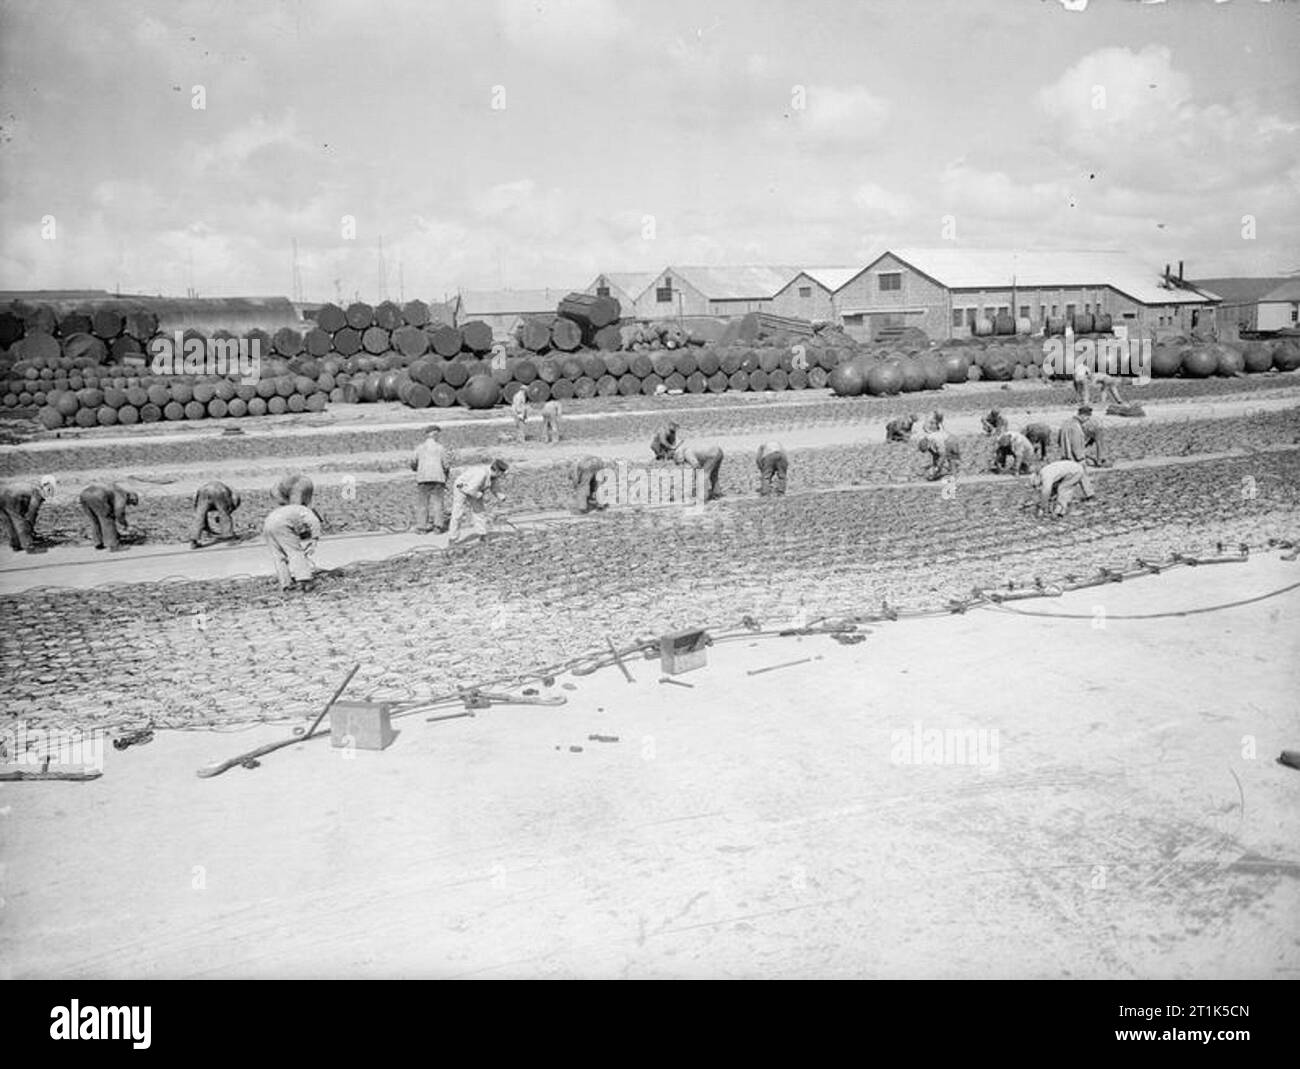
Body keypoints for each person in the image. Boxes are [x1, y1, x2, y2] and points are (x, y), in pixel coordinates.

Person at [263, 502, 322, 592]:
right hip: (281, 524)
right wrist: (314, 540)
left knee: (279, 557)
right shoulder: (308, 512)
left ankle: (285, 584)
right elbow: (314, 523)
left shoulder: (295, 510)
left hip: (267, 524)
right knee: (296, 552)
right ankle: (304, 581)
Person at [450, 459, 508, 545]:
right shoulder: (481, 474)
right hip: (461, 487)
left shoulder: (493, 476)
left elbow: (494, 488)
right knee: (458, 513)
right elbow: (470, 489)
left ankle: (482, 535)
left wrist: (501, 496)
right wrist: (480, 496)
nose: (502, 476)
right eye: (501, 473)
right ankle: (453, 539)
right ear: (497, 471)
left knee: (479, 511)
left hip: (474, 489)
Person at [411, 424, 451, 533]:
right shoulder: (441, 448)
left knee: (423, 503)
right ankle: (438, 527)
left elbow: (413, 462)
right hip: (438, 478)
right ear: (435, 435)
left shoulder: (419, 448)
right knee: (438, 503)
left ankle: (422, 527)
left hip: (423, 478)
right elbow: (446, 465)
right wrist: (446, 475)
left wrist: (417, 469)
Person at [79, 483, 138, 551]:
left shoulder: (115, 489)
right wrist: (124, 524)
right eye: (131, 503)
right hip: (98, 495)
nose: (128, 504)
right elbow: (119, 512)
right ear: (132, 497)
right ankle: (113, 545)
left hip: (85, 494)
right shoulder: (122, 495)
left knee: (94, 520)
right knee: (108, 519)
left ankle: (98, 543)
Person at [190, 480, 241, 549]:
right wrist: (223, 515)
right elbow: (227, 511)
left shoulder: (230, 491)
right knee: (224, 514)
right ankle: (229, 537)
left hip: (204, 491)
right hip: (219, 491)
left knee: (199, 516)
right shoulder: (232, 496)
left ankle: (194, 540)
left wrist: (205, 526)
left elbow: (197, 508)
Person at [0, 481, 45, 553]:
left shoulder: (30, 487)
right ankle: (29, 546)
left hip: (2, 494)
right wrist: (30, 529)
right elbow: (32, 513)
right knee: (20, 522)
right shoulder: (37, 493)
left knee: (8, 522)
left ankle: (15, 544)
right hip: (10, 496)